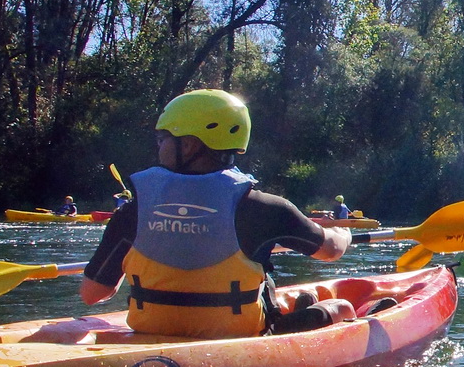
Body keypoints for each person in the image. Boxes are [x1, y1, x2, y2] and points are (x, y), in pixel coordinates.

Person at [79, 90, 354, 338]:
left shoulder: (134, 210)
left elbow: (93, 294)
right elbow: (330, 252)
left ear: (188, 145)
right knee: (341, 307)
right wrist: (343, 234)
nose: (158, 146)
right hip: (241, 342)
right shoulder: (266, 208)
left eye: (162, 138)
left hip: (151, 335)